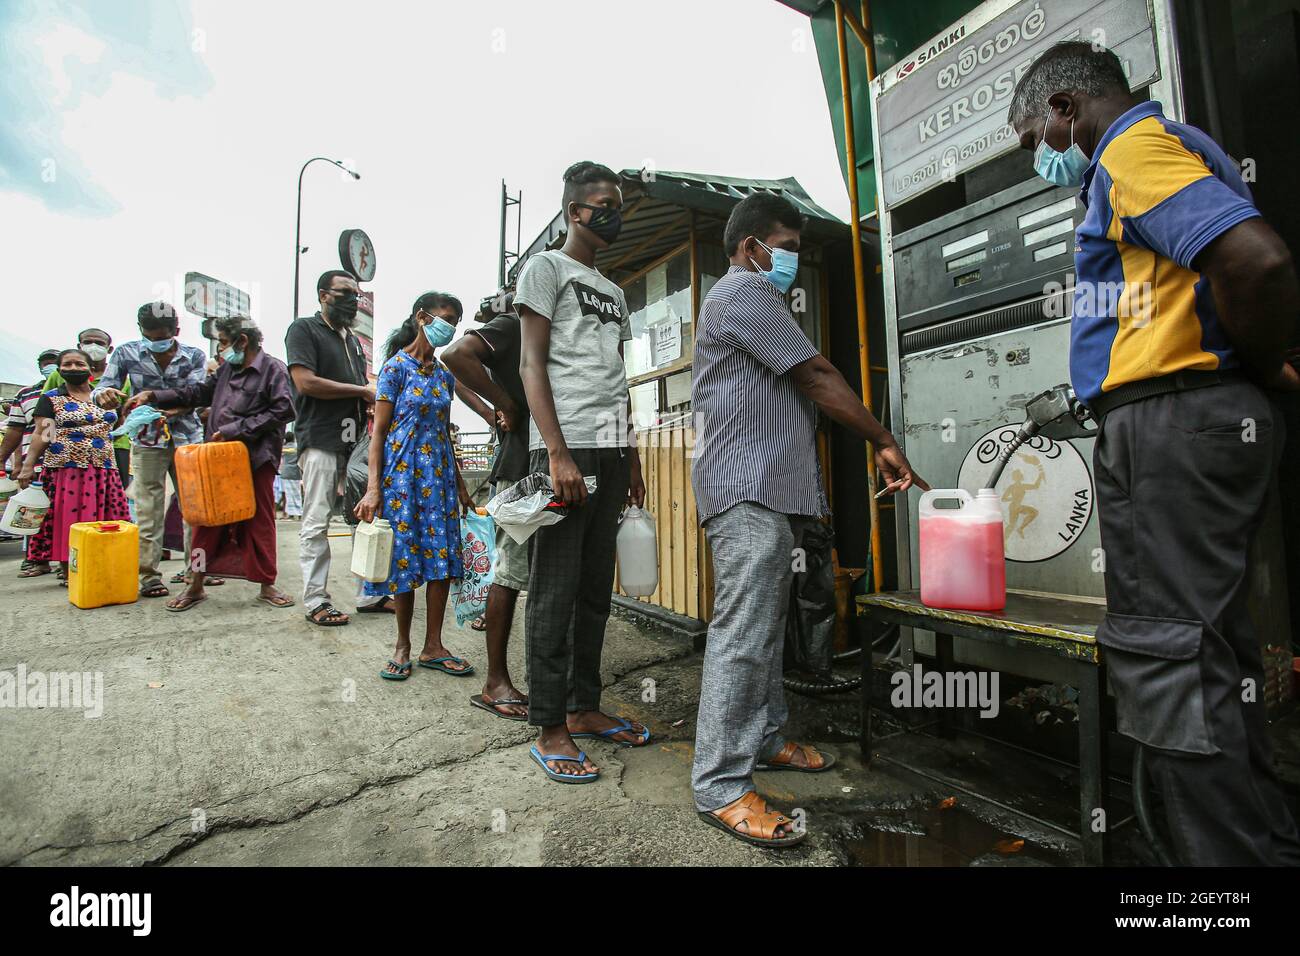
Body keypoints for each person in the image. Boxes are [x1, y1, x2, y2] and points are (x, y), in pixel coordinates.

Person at [1008, 40, 1300, 865]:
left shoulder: (1131, 149)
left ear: (1064, 108)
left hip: (1172, 426)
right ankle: (1262, 847)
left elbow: (1258, 262)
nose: (1038, 158)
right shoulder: (1163, 149)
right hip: (1189, 420)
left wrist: (1251, 367)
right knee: (1213, 651)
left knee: (1170, 655)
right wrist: (1255, 371)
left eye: (1033, 140)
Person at [689, 193, 927, 846]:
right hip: (746, 489)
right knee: (744, 633)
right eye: (786, 247)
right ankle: (720, 785)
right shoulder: (743, 293)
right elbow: (817, 375)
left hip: (773, 491)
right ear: (750, 248)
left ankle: (765, 739)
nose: (793, 258)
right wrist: (882, 438)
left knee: (766, 628)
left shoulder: (758, 299)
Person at [514, 161, 649, 782]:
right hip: (565, 449)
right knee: (554, 589)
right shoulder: (545, 269)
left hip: (611, 450)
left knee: (595, 589)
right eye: (603, 205)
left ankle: (584, 706)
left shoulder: (613, 292)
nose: (613, 215)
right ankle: (550, 726)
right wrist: (557, 452)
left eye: (618, 205)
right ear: (574, 211)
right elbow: (532, 364)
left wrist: (633, 454)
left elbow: (616, 377)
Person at [125, 317, 296, 612]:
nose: (221, 349)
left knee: (260, 522)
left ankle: (267, 584)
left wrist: (236, 429)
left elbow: (284, 410)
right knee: (206, 522)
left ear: (243, 341)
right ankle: (195, 584)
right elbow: (197, 393)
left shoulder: (273, 369)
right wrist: (154, 396)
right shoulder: (227, 369)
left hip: (257, 459)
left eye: (224, 342)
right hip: (216, 459)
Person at [354, 292, 476, 679]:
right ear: (422, 317)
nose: (451, 327)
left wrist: (460, 483)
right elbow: (378, 434)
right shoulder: (395, 368)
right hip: (401, 480)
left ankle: (433, 646)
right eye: (446, 318)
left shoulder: (443, 375)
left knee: (441, 561)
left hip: (439, 480)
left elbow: (444, 433)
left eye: (455, 321)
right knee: (403, 562)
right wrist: (373, 488)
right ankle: (402, 645)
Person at [443, 290, 531, 719]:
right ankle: (496, 682)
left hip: (539, 463)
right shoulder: (513, 325)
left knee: (526, 574)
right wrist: (502, 404)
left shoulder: (543, 332)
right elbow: (456, 358)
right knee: (509, 574)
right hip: (519, 466)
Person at [94, 303, 213, 598]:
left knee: (194, 509)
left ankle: (196, 572)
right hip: (147, 440)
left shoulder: (194, 356)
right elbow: (103, 389)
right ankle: (148, 575)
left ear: (175, 331)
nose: (155, 342)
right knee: (148, 508)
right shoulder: (126, 353)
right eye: (148, 336)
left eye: (161, 337)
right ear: (140, 331)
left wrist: (169, 410)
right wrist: (105, 395)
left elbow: (197, 395)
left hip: (187, 438)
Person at [286, 271, 380, 626]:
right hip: (321, 439)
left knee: (362, 518)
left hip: (353, 442)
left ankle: (369, 594)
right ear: (324, 295)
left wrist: (367, 400)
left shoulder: (351, 340)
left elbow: (359, 386)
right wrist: (361, 391)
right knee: (317, 521)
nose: (353, 300)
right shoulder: (304, 330)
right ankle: (316, 601)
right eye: (345, 293)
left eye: (356, 294)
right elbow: (305, 382)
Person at [16, 349, 131, 582]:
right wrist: (28, 465)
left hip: (103, 468)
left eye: (79, 364)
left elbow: (119, 426)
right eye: (67, 364)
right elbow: (43, 434)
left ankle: (101, 565)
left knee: (104, 518)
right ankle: (71, 569)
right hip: (66, 469)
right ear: (59, 370)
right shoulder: (51, 398)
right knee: (67, 520)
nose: (73, 368)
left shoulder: (106, 397)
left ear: (90, 369)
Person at [46, 329, 132, 489]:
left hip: (114, 446)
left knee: (112, 491)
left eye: (99, 343)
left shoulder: (122, 379)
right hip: (66, 448)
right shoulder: (60, 375)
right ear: (79, 346)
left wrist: (108, 434)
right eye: (88, 342)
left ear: (109, 349)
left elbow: (127, 414)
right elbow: (45, 413)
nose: (93, 346)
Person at [2, 348, 60, 576]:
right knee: (32, 512)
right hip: (33, 461)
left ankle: (66, 561)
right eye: (46, 363)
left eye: (54, 362)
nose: (50, 367)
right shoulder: (26, 394)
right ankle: (36, 559)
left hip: (65, 461)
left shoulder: (74, 393)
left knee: (62, 512)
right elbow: (15, 430)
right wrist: (16, 463)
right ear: (39, 367)